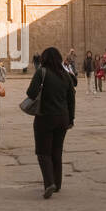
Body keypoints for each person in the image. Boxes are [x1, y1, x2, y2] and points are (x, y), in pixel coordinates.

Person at [26, 46, 75, 198]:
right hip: (63, 118)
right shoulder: (65, 75)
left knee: (43, 152)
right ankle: (57, 183)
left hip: (45, 117)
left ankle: (49, 183)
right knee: (56, 151)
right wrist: (71, 118)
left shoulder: (42, 72)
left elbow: (31, 93)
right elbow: (71, 99)